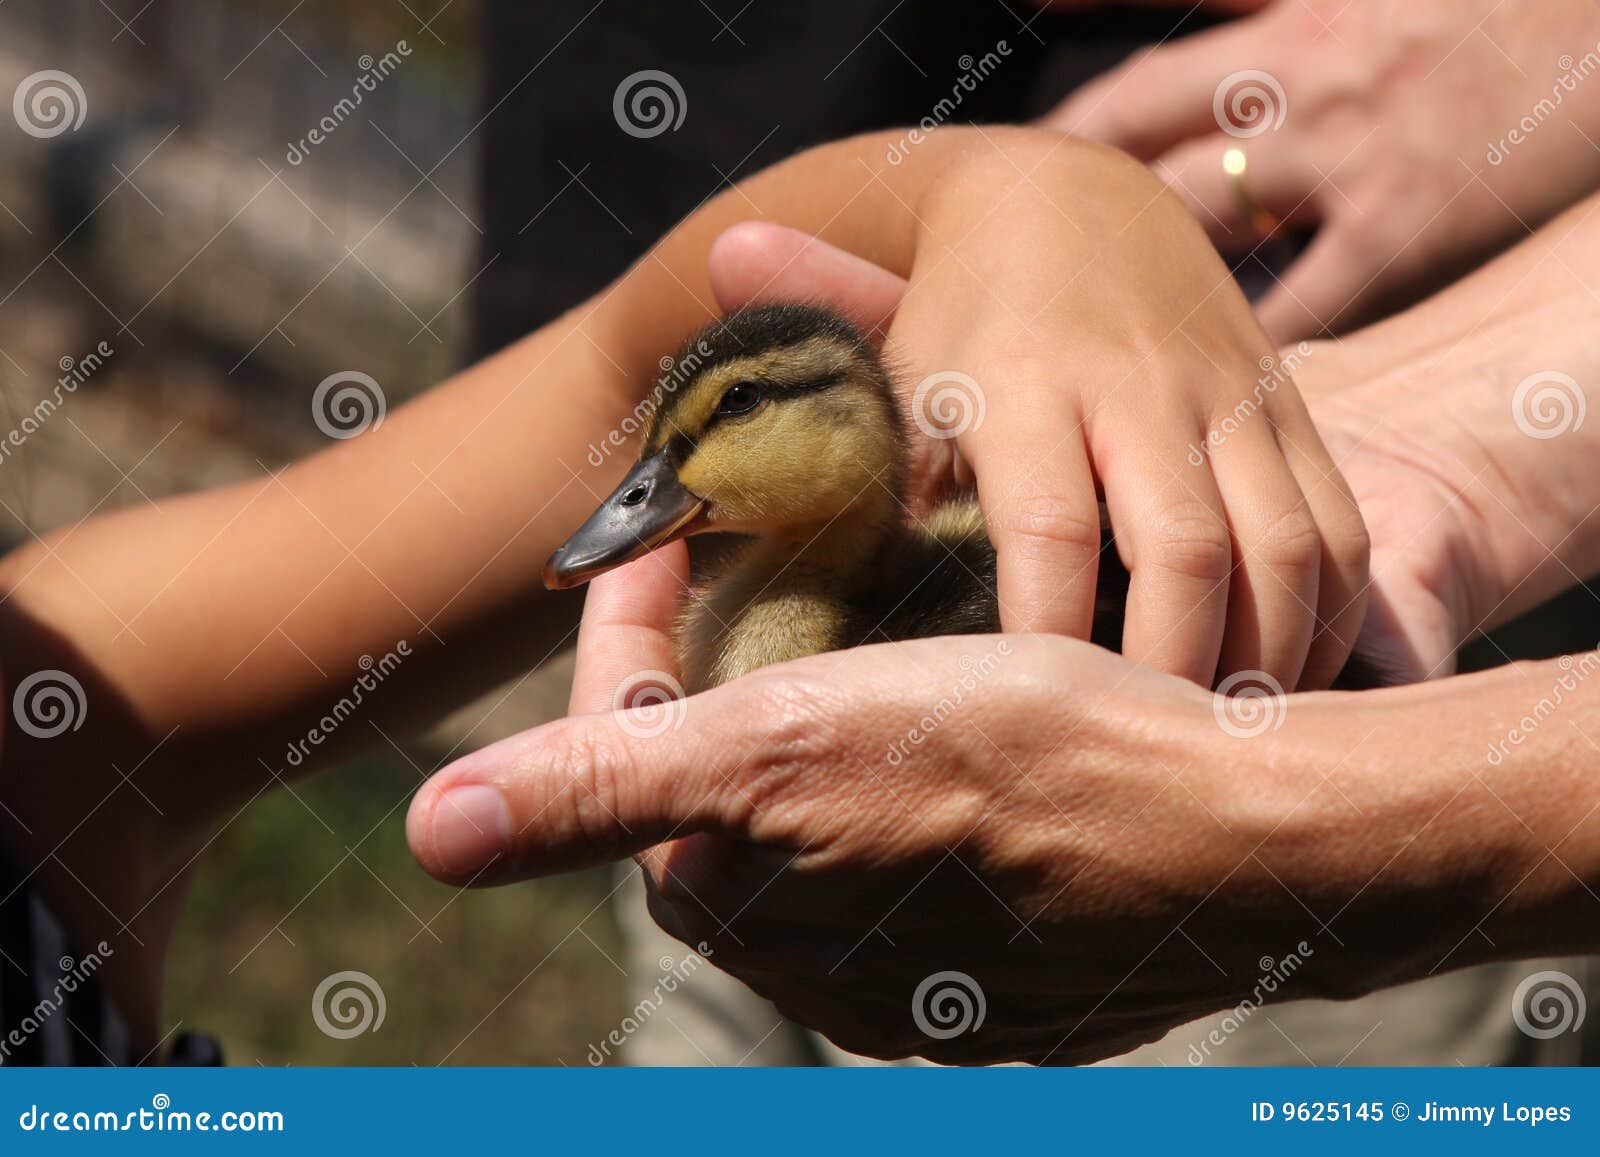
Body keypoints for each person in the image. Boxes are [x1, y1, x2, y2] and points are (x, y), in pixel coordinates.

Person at [0, 127, 1361, 1059]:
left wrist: (1043, 196)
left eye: (714, 428)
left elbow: (614, 356)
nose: (641, 492)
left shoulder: (51, 718)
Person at [407, 184, 1600, 1065]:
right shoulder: (814, 600)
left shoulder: (937, 610)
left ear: (853, 424)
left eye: (730, 416)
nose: (642, 496)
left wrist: (1345, 819)